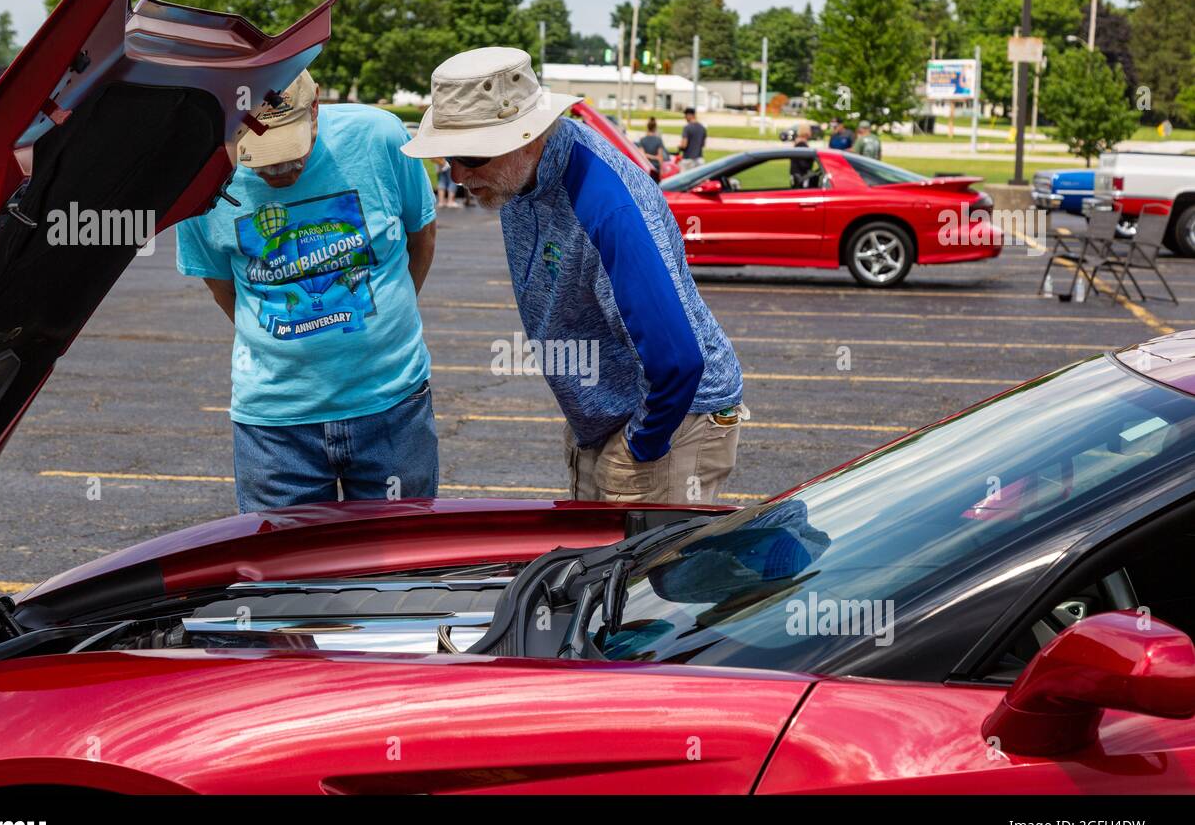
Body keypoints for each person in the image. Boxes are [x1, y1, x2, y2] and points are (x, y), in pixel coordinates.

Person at [403, 47, 746, 504]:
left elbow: (678, 359)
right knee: (594, 567)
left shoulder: (608, 207)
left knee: (647, 574)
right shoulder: (519, 174)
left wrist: (640, 446)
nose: (458, 174)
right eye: (448, 156)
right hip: (607, 415)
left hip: (672, 419)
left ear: (527, 136)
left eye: (471, 155)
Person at [175, 70, 439, 512]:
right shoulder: (200, 177)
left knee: (399, 571)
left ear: (315, 106)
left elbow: (422, 239)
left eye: (291, 152)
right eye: (261, 158)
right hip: (275, 428)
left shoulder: (380, 137)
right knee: (280, 577)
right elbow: (223, 287)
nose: (280, 169)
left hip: (392, 406)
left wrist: (381, 331)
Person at [790, 124, 815, 188]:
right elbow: (803, 162)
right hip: (801, 175)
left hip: (796, 173)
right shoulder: (802, 144)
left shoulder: (798, 142)